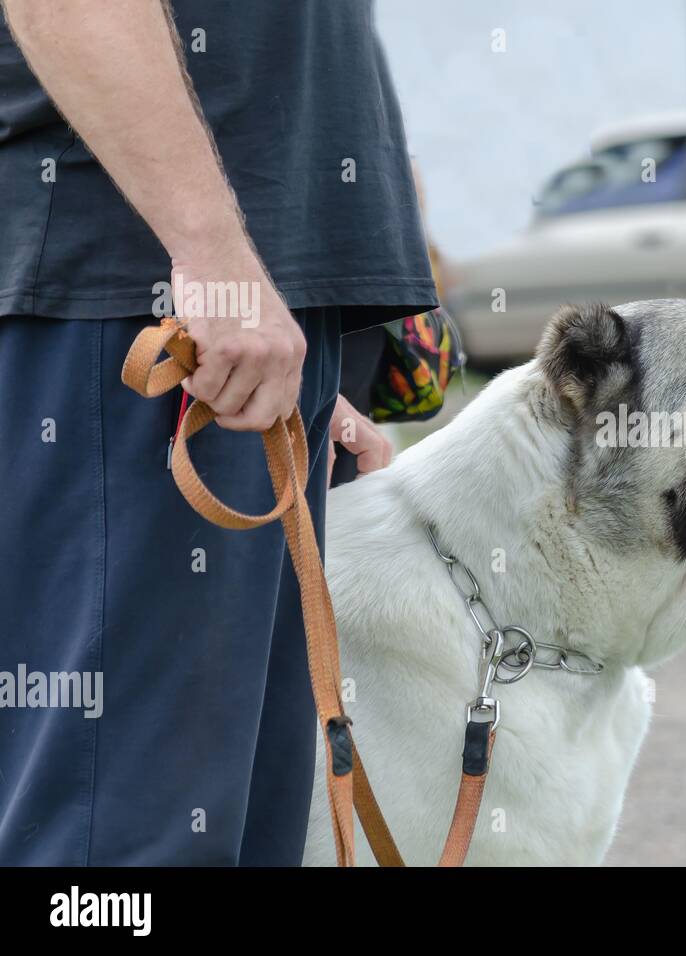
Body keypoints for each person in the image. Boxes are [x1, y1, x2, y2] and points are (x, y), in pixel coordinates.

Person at [0, 1, 434, 864]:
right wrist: (212, 260)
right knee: (118, 845)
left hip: (241, 325)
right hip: (140, 304)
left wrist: (327, 365)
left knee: (235, 834)